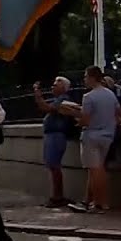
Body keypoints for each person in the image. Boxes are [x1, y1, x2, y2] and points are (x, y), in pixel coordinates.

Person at [66, 66, 121, 213]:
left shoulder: (88, 97)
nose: (84, 79)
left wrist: (76, 118)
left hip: (92, 136)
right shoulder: (110, 94)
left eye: (86, 76)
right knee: (97, 169)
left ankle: (100, 203)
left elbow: (86, 120)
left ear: (93, 77)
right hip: (108, 136)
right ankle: (89, 201)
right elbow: (120, 112)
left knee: (96, 171)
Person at [34, 76, 76, 207]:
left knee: (54, 166)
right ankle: (55, 196)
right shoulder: (58, 100)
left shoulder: (64, 100)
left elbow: (48, 108)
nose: (53, 86)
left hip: (57, 135)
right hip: (52, 135)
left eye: (56, 84)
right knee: (52, 166)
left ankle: (58, 197)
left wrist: (38, 96)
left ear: (64, 87)